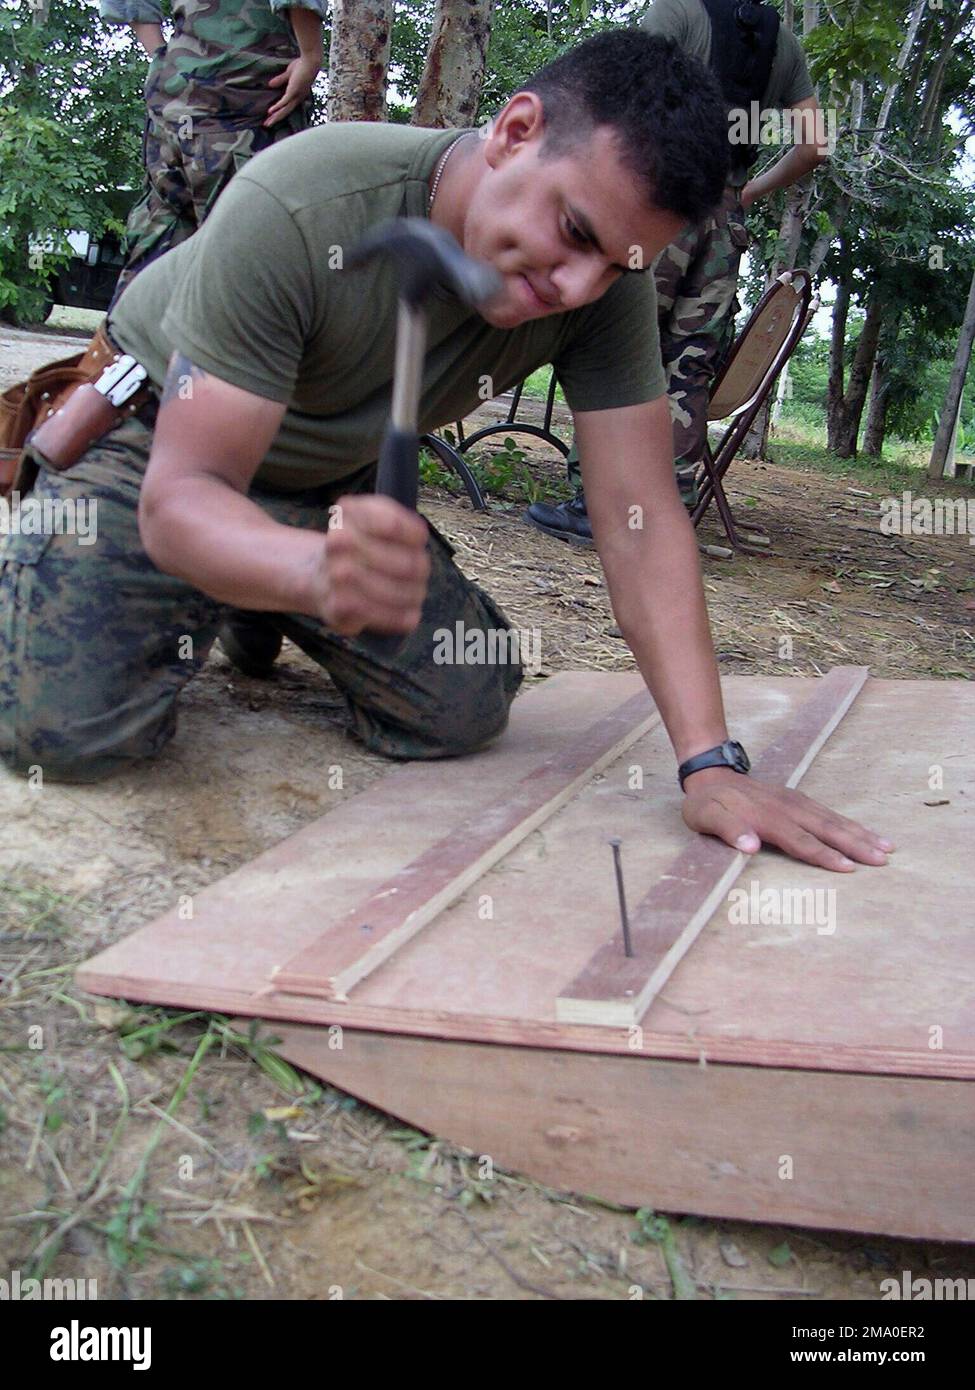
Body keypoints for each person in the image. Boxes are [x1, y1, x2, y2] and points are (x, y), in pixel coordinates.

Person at [0, 32, 891, 874]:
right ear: (514, 131)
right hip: (156, 447)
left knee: (459, 706)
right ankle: (231, 584)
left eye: (617, 265)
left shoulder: (600, 283)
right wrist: (311, 573)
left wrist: (711, 763)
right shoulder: (304, 200)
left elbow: (639, 517)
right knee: (64, 734)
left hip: (325, 486)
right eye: (575, 233)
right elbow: (183, 496)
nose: (576, 287)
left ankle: (252, 594)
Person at [526, 0, 828, 545]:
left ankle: (596, 508)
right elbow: (813, 146)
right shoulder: (783, 44)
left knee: (616, 346)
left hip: (660, 206)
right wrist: (746, 193)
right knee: (689, 368)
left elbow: (624, 99)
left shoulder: (677, 11)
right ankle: (667, 514)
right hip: (724, 222)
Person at [100, 0, 326, 306]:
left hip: (171, 111)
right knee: (244, 283)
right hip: (247, 110)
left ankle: (122, 351)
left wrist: (161, 56)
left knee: (151, 272)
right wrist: (311, 56)